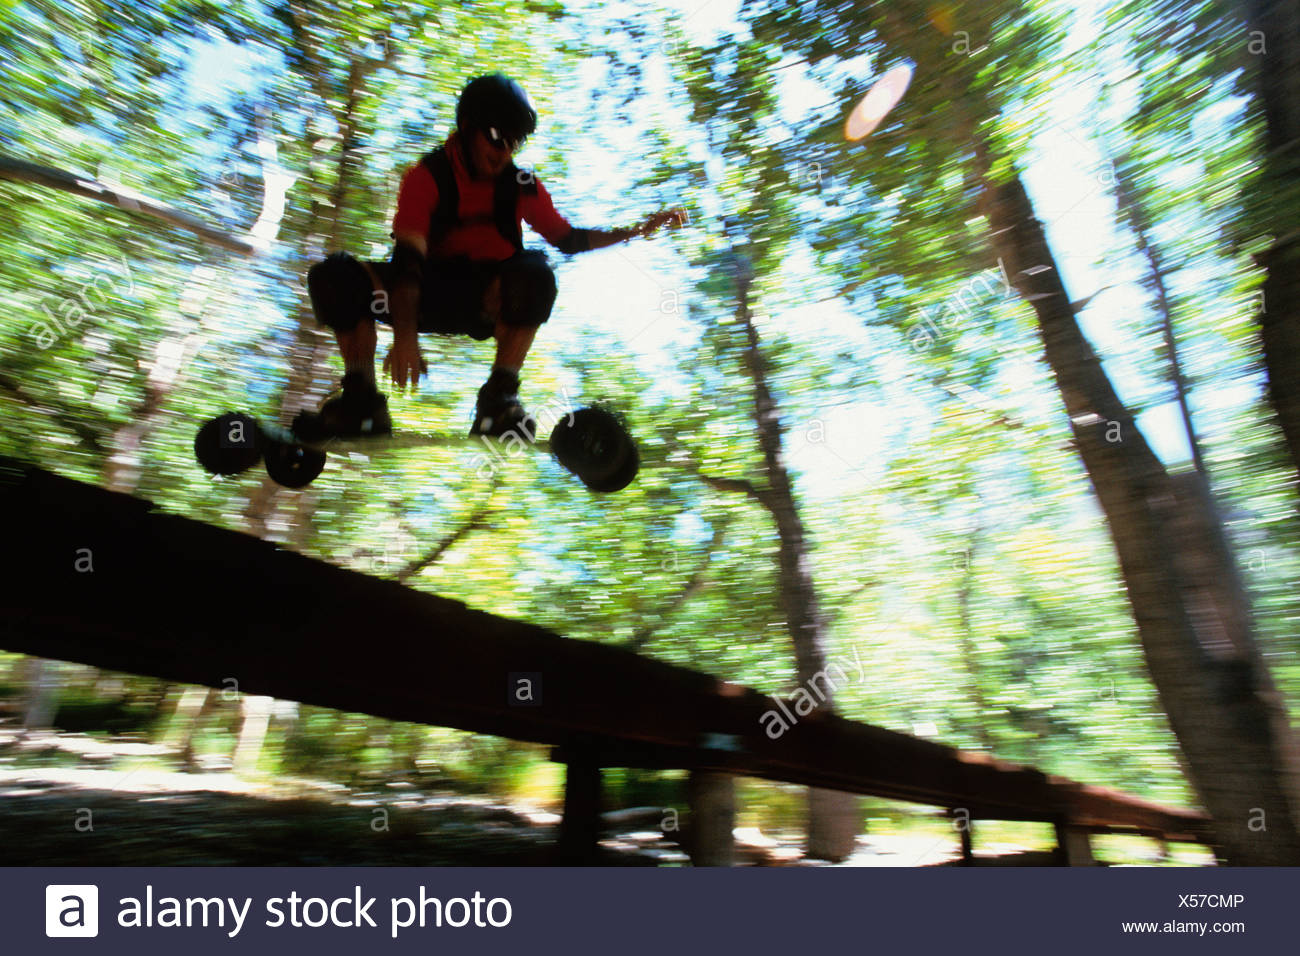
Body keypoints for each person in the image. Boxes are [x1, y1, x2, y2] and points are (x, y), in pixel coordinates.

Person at [299, 73, 683, 441]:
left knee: (536, 276)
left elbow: (568, 239)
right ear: (467, 127)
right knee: (335, 277)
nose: (504, 152)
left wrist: (635, 231)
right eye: (498, 137)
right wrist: (405, 335)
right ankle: (362, 403)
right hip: (422, 293)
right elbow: (408, 264)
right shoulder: (427, 176)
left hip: (487, 299)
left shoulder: (521, 185)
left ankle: (498, 400)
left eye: (514, 143)